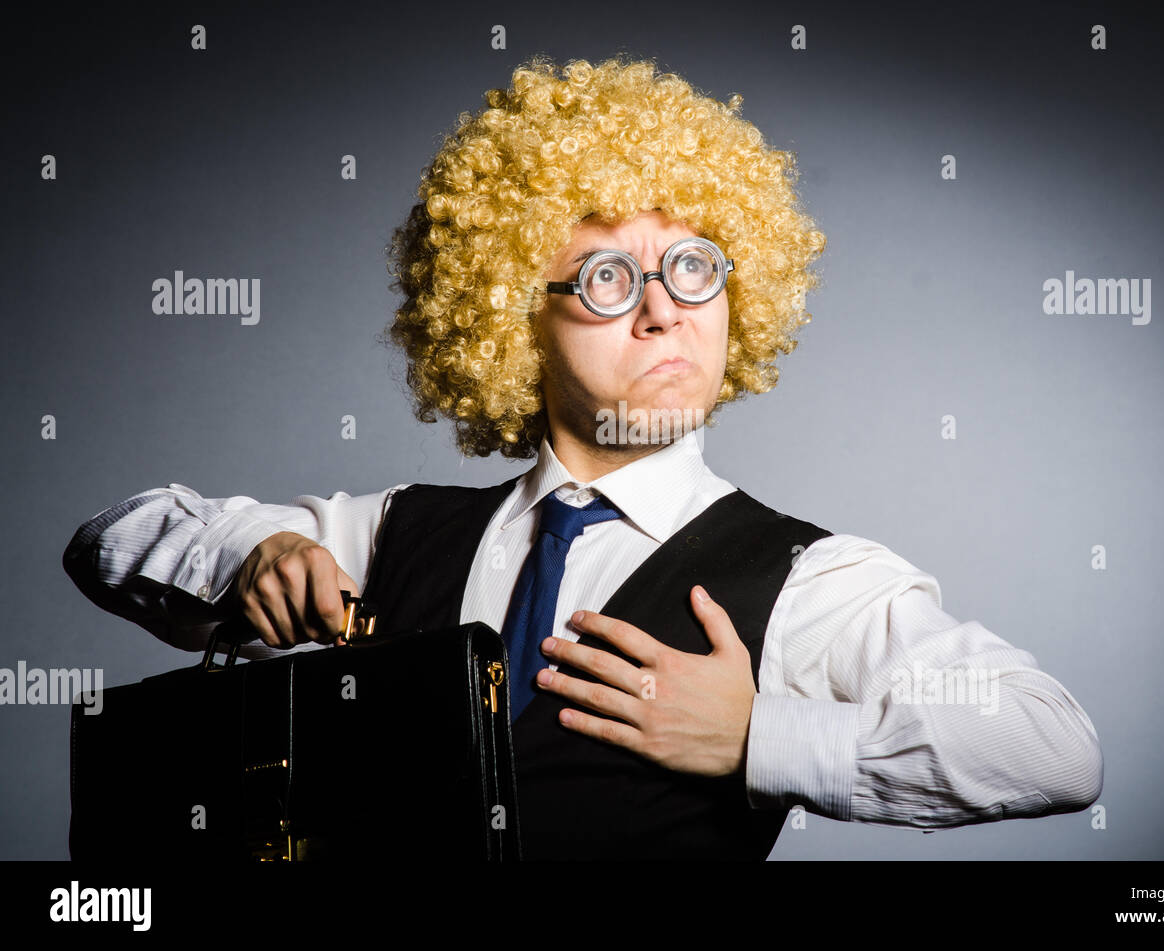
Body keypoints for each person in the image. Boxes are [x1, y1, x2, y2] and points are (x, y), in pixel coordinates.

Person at [63, 55, 1103, 859]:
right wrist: (246, 549)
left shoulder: (804, 582)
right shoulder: (393, 536)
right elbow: (110, 538)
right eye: (606, 278)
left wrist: (759, 738)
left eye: (693, 267)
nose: (662, 310)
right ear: (511, 317)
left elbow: (1051, 745)